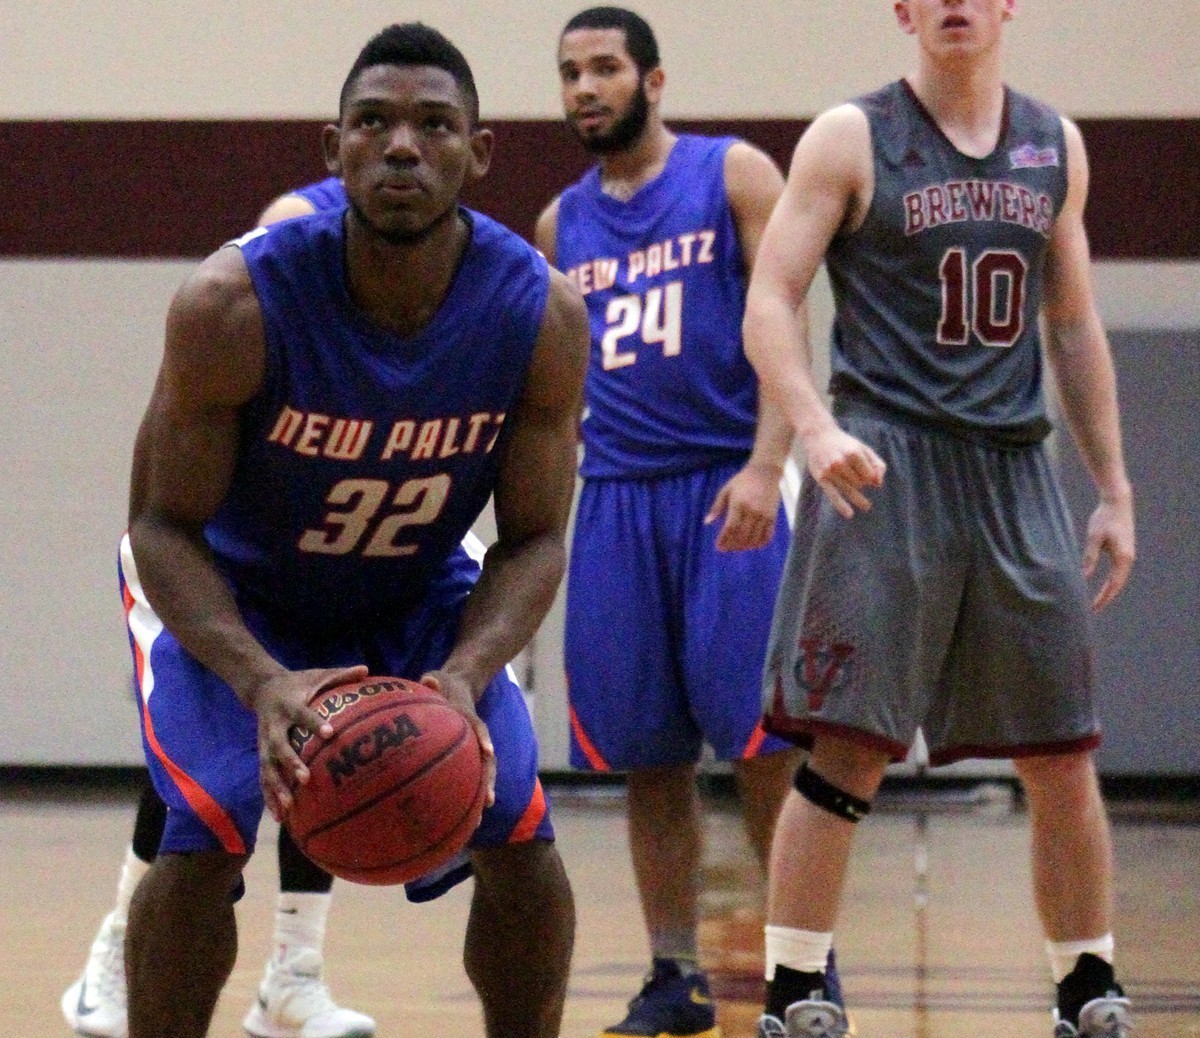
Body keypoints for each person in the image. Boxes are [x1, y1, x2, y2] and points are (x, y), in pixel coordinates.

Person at [115, 22, 589, 1038]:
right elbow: (158, 529)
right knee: (203, 838)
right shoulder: (231, 304)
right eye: (372, 123)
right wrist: (258, 680)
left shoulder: (535, 315)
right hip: (230, 592)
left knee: (521, 835)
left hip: (411, 589)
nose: (403, 147)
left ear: (479, 150)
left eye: (433, 125)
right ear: (332, 150)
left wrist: (466, 675)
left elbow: (537, 539)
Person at [740, 2, 1136, 1036]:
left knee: (1059, 750)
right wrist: (815, 428)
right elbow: (771, 299)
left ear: (1007, 5)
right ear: (905, 11)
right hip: (886, 463)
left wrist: (1115, 487)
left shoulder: (1056, 143)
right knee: (849, 746)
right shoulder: (850, 135)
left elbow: (1072, 321)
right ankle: (794, 988)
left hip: (1012, 469)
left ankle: (1086, 983)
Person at [532, 8, 810, 1037]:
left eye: (603, 68)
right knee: (647, 757)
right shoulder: (561, 228)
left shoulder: (733, 174)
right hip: (613, 502)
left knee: (766, 746)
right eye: (568, 73)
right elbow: (554, 398)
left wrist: (767, 463)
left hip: (724, 486)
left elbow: (786, 323)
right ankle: (670, 975)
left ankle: (800, 968)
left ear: (652, 80)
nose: (583, 89)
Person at [62, 175, 379, 1038]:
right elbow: (162, 508)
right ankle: (115, 950)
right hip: (224, 547)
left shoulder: (451, 276)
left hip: (337, 544)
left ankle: (293, 975)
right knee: (201, 774)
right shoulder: (277, 256)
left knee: (332, 739)